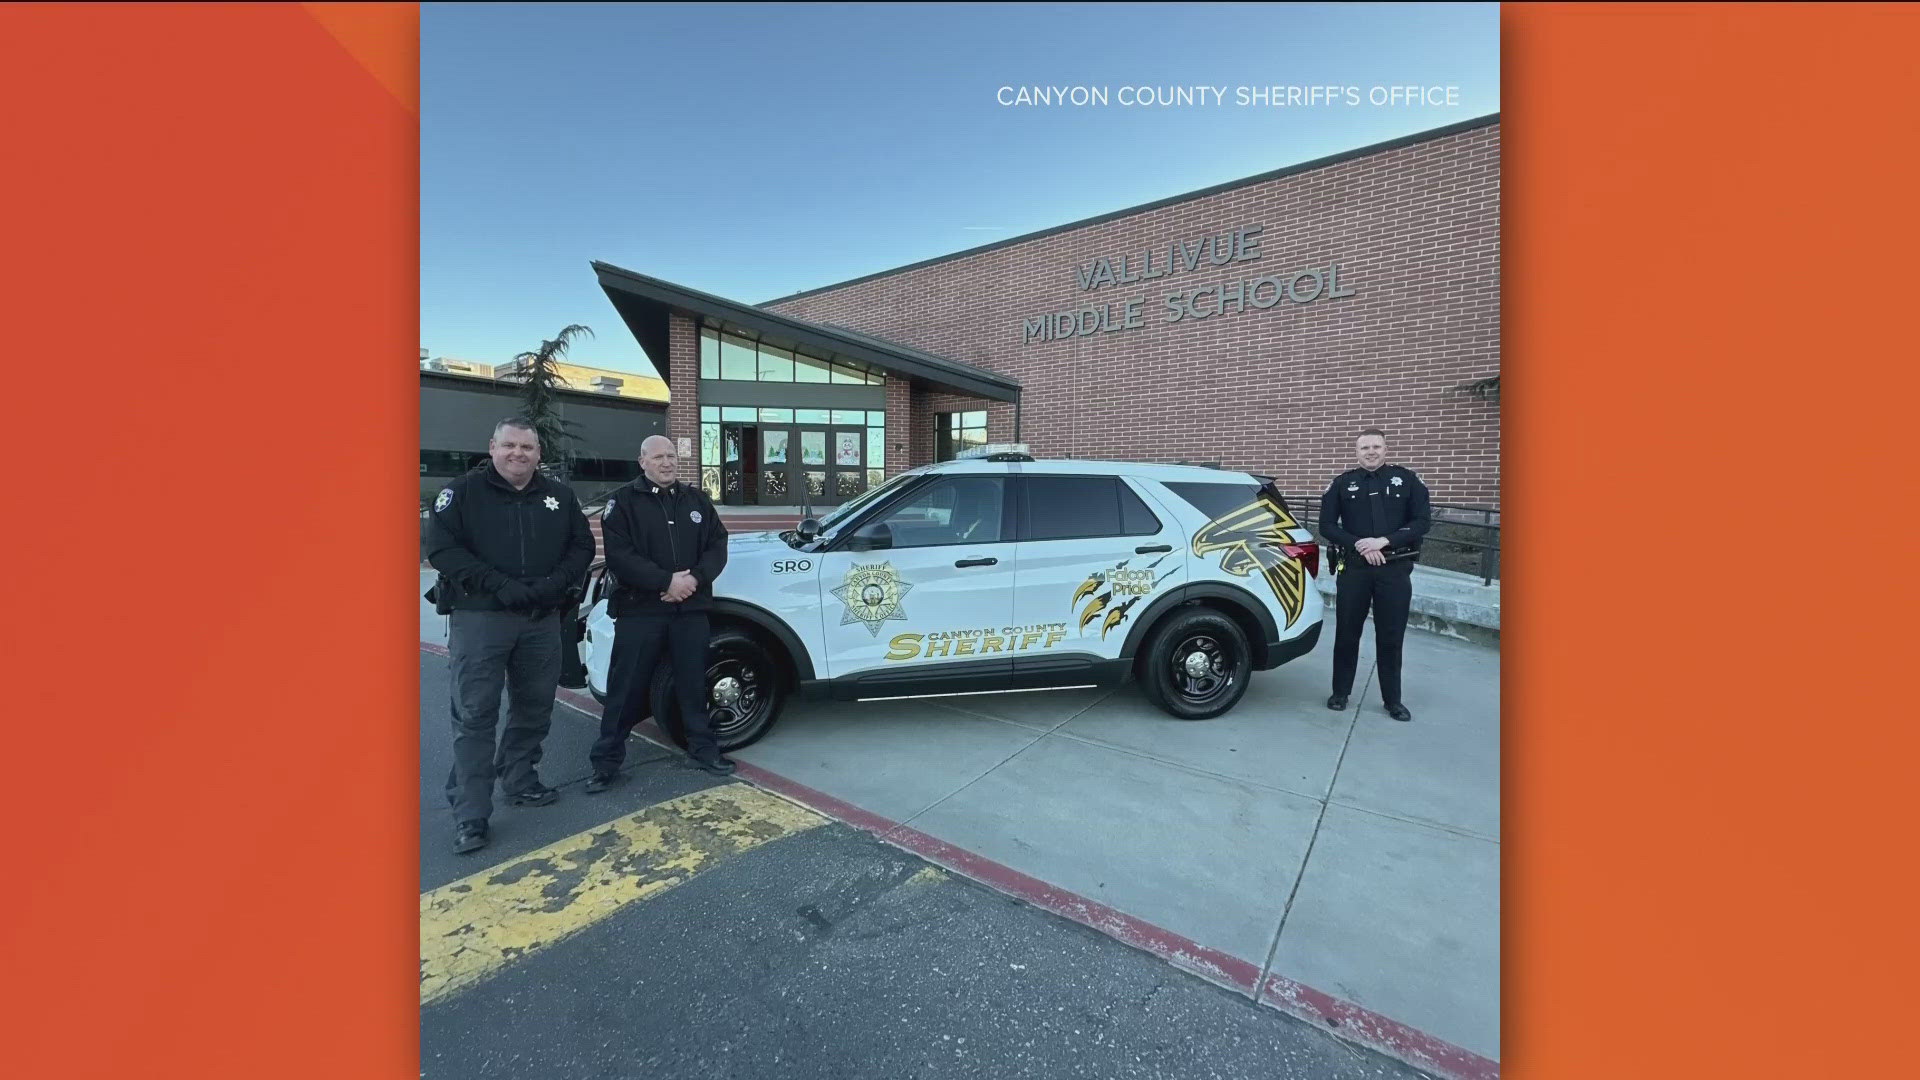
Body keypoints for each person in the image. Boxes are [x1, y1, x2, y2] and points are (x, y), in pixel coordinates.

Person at [426, 418, 594, 854]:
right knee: (475, 715)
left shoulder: (558, 495)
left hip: (541, 618)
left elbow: (582, 547)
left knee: (534, 707)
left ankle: (520, 780)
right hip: (482, 618)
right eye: (510, 446)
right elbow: (442, 550)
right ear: (493, 448)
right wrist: (499, 585)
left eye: (527, 447)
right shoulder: (462, 493)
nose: (518, 454)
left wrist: (551, 585)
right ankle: (471, 814)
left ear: (539, 453)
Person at [588, 434, 733, 788]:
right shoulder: (622, 503)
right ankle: (606, 761)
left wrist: (693, 580)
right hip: (642, 612)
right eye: (657, 457)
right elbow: (621, 557)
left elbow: (717, 546)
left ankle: (702, 748)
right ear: (642, 462)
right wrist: (666, 582)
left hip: (691, 610)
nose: (666, 463)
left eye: (671, 456)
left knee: (692, 683)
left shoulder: (696, 500)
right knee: (626, 687)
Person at [1319, 428, 1431, 722]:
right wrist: (1359, 543)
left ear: (1385, 449)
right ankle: (1340, 693)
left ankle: (1392, 700)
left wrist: (1385, 541)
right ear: (1356, 452)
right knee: (1346, 633)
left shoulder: (1406, 481)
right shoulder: (1342, 484)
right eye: (1365, 447)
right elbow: (1327, 525)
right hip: (1354, 569)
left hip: (1393, 570)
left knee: (1391, 636)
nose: (1370, 451)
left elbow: (1421, 521)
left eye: (1376, 446)